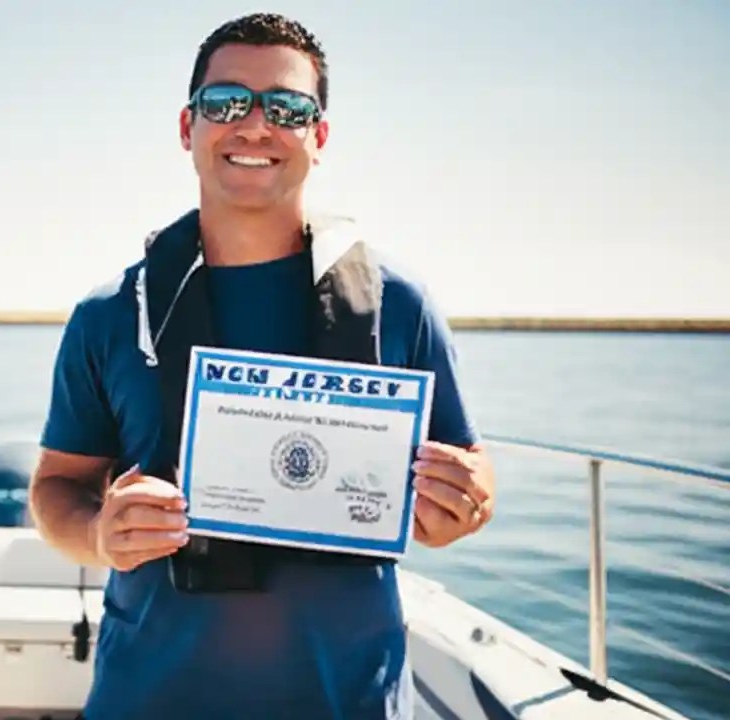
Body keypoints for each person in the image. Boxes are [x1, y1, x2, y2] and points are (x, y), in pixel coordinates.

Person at [28, 12, 496, 720]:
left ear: (319, 136)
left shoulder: (400, 304)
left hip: (350, 703)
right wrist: (97, 534)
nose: (254, 126)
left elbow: (471, 468)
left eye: (286, 108)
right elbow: (57, 488)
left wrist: (464, 502)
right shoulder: (110, 313)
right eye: (224, 104)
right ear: (189, 128)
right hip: (148, 700)